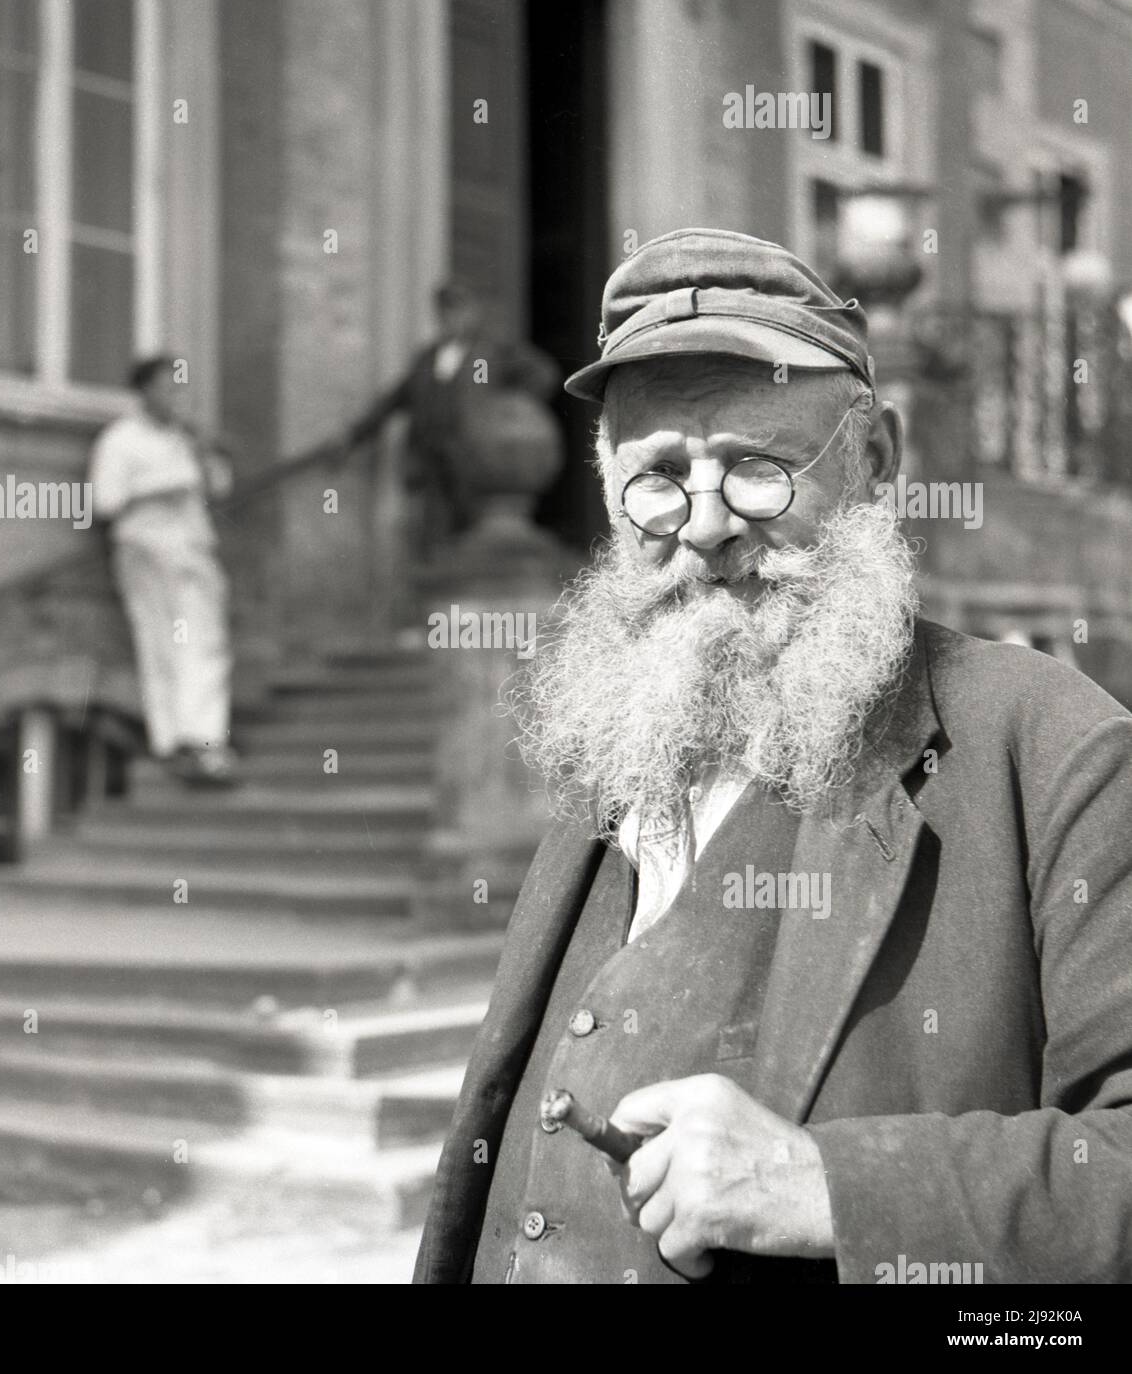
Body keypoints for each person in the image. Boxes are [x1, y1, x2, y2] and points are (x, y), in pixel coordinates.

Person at [413, 228, 1132, 1284]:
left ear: (876, 458)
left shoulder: (1050, 747)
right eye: (657, 476)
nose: (703, 526)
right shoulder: (623, 742)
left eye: (757, 468)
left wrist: (830, 1186)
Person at [89, 355, 237, 786]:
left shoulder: (183, 440)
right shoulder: (120, 440)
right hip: (147, 550)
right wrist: (160, 489)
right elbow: (105, 501)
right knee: (160, 642)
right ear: (145, 390)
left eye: (180, 388)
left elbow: (219, 489)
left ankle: (204, 737)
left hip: (191, 551)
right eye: (167, 387)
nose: (175, 397)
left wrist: (207, 453)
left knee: (204, 644)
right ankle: (172, 738)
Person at [341, 280, 559, 556]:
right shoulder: (427, 359)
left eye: (458, 310)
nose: (451, 318)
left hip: (473, 456)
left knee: (473, 530)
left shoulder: (492, 352)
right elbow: (393, 401)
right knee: (431, 534)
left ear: (472, 313)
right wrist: (354, 435)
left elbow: (542, 373)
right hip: (430, 459)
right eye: (445, 312)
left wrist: (512, 410)